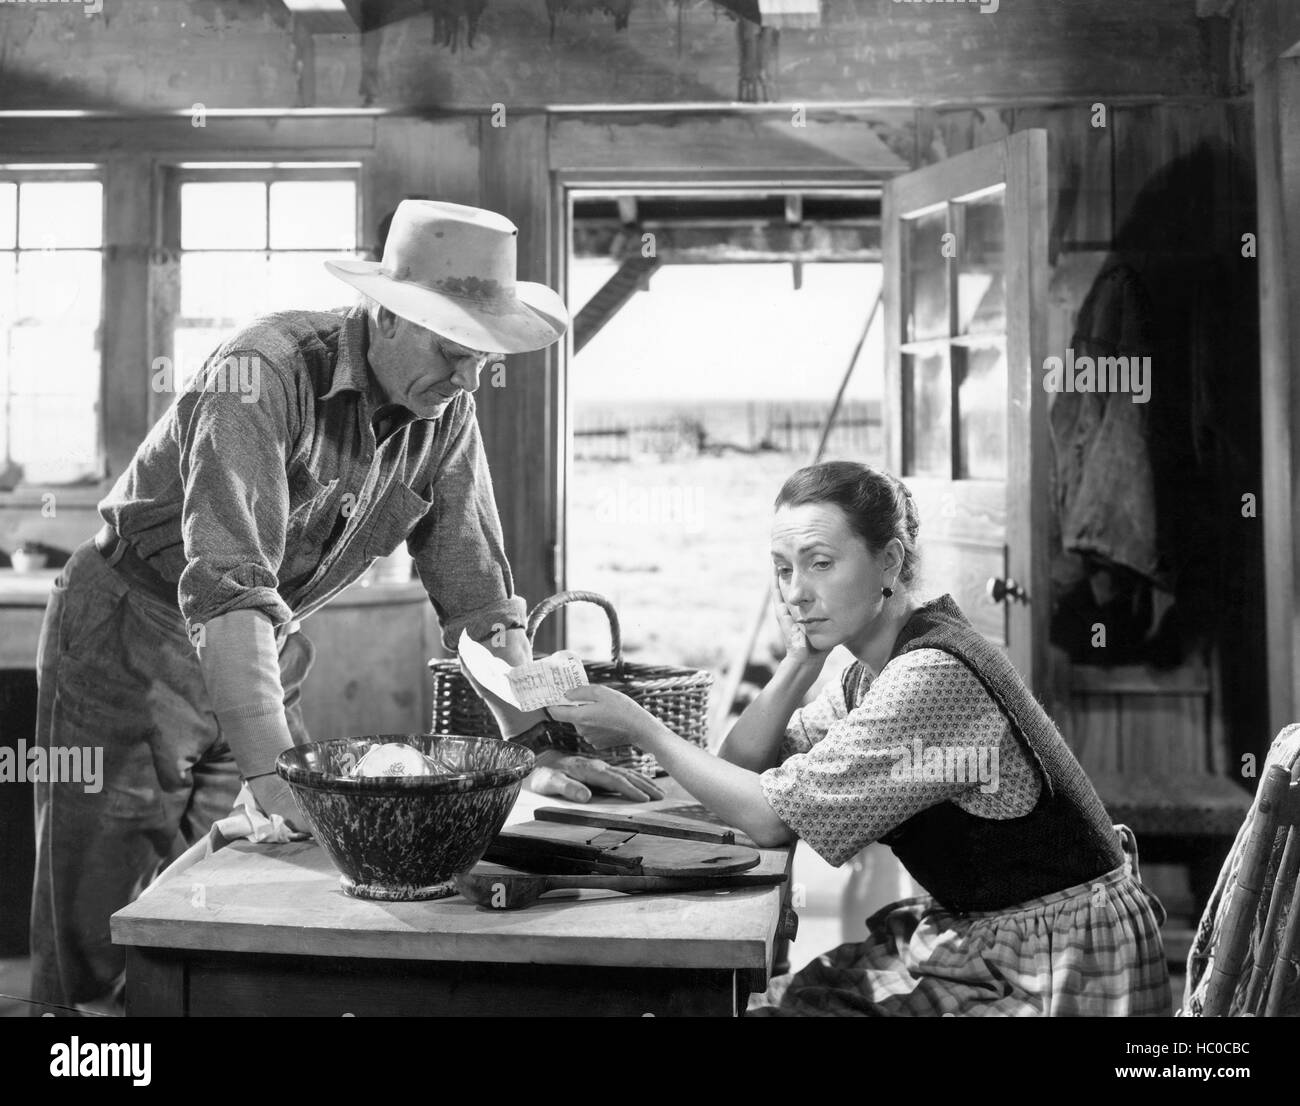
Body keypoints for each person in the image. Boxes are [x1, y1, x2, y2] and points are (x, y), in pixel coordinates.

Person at [31, 199, 659, 1016]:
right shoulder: (261, 373)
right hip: (130, 630)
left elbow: (479, 600)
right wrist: (284, 776)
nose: (470, 378)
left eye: (482, 357)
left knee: (214, 892)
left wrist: (537, 740)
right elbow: (228, 588)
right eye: (452, 351)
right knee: (96, 915)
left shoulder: (447, 411)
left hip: (261, 643)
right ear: (387, 315)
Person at [550, 460, 1171, 1017]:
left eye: (821, 563)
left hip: (1054, 961)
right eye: (783, 569)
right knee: (790, 998)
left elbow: (767, 819)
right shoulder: (866, 672)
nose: (796, 592)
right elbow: (742, 765)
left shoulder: (933, 676)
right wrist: (796, 664)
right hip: (987, 933)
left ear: (891, 563)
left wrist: (641, 726)